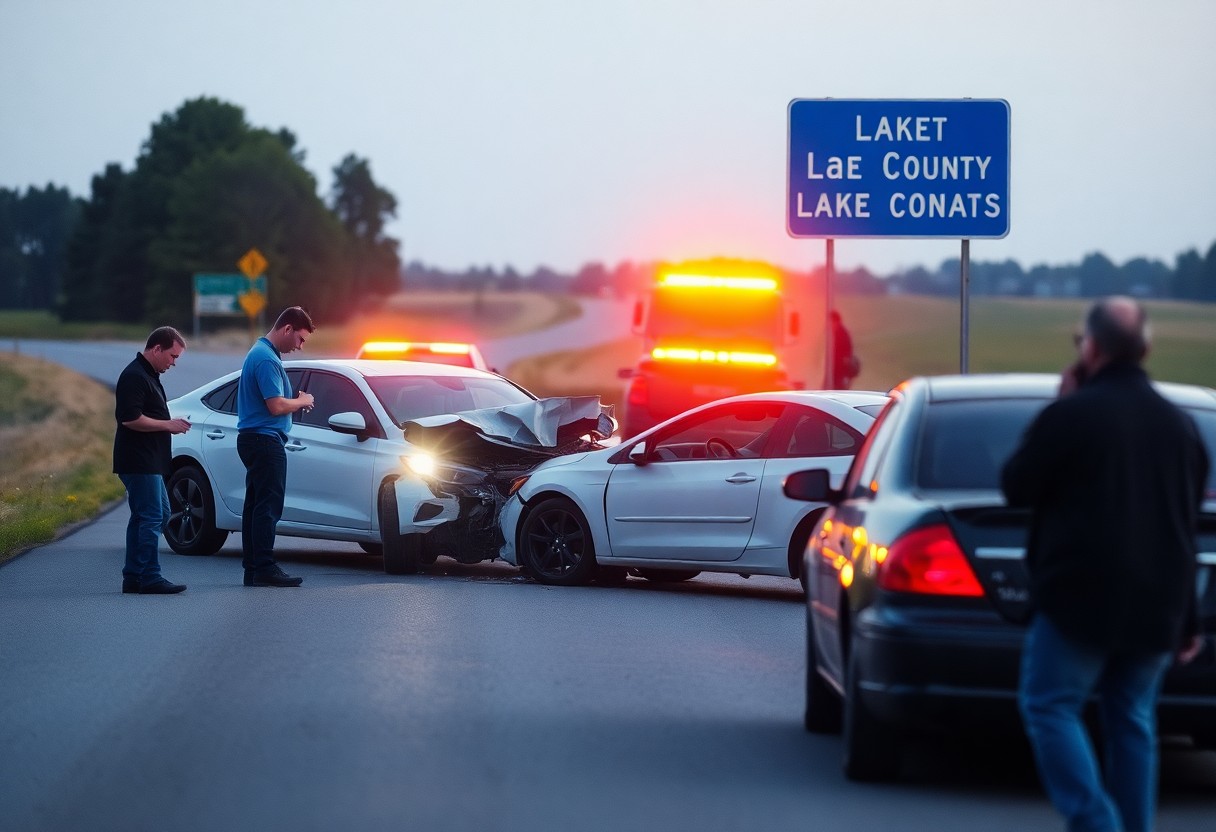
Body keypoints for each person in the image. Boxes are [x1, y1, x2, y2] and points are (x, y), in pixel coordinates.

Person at [1001, 296, 1208, 832]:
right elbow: (1183, 529)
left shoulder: (1071, 415)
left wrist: (1059, 407)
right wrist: (1188, 619)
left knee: (1049, 706)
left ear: (1090, 347)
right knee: (1133, 719)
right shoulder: (1181, 426)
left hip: (1079, 601)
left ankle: (1097, 823)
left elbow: (1016, 485)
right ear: (1146, 349)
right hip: (1158, 606)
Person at [236, 306, 316, 587]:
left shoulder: (261, 353)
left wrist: (293, 400)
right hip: (264, 440)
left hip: (255, 438)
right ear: (287, 329)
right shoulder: (266, 359)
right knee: (268, 507)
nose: (300, 346)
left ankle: (253, 568)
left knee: (255, 506)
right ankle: (264, 567)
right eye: (300, 339)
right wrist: (302, 401)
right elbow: (276, 405)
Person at [114, 326, 192, 594]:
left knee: (156, 514)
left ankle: (133, 575)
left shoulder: (148, 374)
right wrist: (167, 425)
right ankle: (149, 576)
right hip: (138, 460)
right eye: (172, 356)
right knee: (150, 516)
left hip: (150, 460)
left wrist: (169, 424)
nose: (173, 363)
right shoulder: (134, 376)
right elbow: (129, 419)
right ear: (157, 349)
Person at [829, 310, 859, 389]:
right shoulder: (840, 332)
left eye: (831, 322)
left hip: (839, 369)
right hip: (838, 368)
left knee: (838, 387)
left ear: (836, 321)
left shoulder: (842, 334)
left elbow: (846, 353)